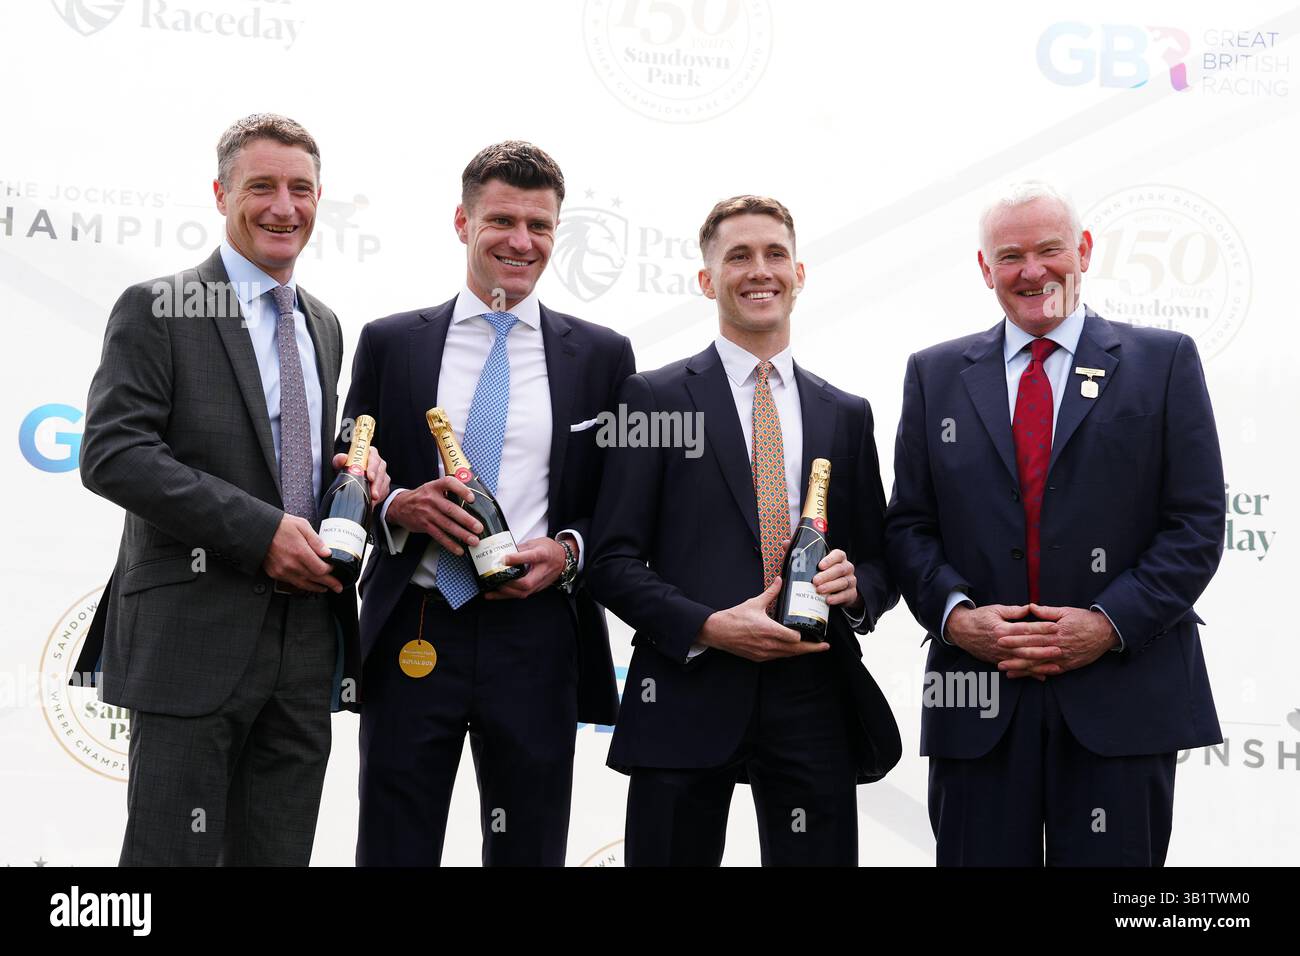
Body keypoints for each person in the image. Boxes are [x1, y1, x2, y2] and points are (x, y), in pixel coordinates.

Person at [77, 113, 389, 865]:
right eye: (262, 187)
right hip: (193, 638)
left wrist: (360, 474)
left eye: (301, 189)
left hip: (308, 647)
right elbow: (112, 452)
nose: (284, 207)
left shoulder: (324, 324)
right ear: (221, 194)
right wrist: (262, 534)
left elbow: (301, 462)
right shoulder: (158, 307)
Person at [884, 181, 1224, 866]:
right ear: (986, 270)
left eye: (1049, 250)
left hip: (1123, 695)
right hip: (978, 700)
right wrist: (956, 617)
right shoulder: (935, 375)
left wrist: (1107, 622)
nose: (1032, 271)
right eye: (1010, 256)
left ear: (1085, 251)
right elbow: (909, 527)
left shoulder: (1164, 363)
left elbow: (1195, 522)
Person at [341, 141, 635, 866]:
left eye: (539, 226)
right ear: (462, 222)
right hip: (415, 625)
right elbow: (350, 469)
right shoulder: (389, 343)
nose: (520, 241)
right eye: (501, 219)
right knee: (393, 847)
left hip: (537, 637)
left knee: (530, 848)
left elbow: (620, 505)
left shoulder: (603, 357)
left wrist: (567, 552)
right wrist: (396, 506)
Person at [587, 195, 900, 866]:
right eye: (738, 256)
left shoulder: (845, 412)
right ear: (707, 281)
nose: (760, 270)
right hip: (685, 690)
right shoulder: (654, 398)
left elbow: (879, 559)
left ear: (799, 272)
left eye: (774, 254)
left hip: (813, 694)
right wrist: (706, 625)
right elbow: (611, 559)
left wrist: (855, 588)